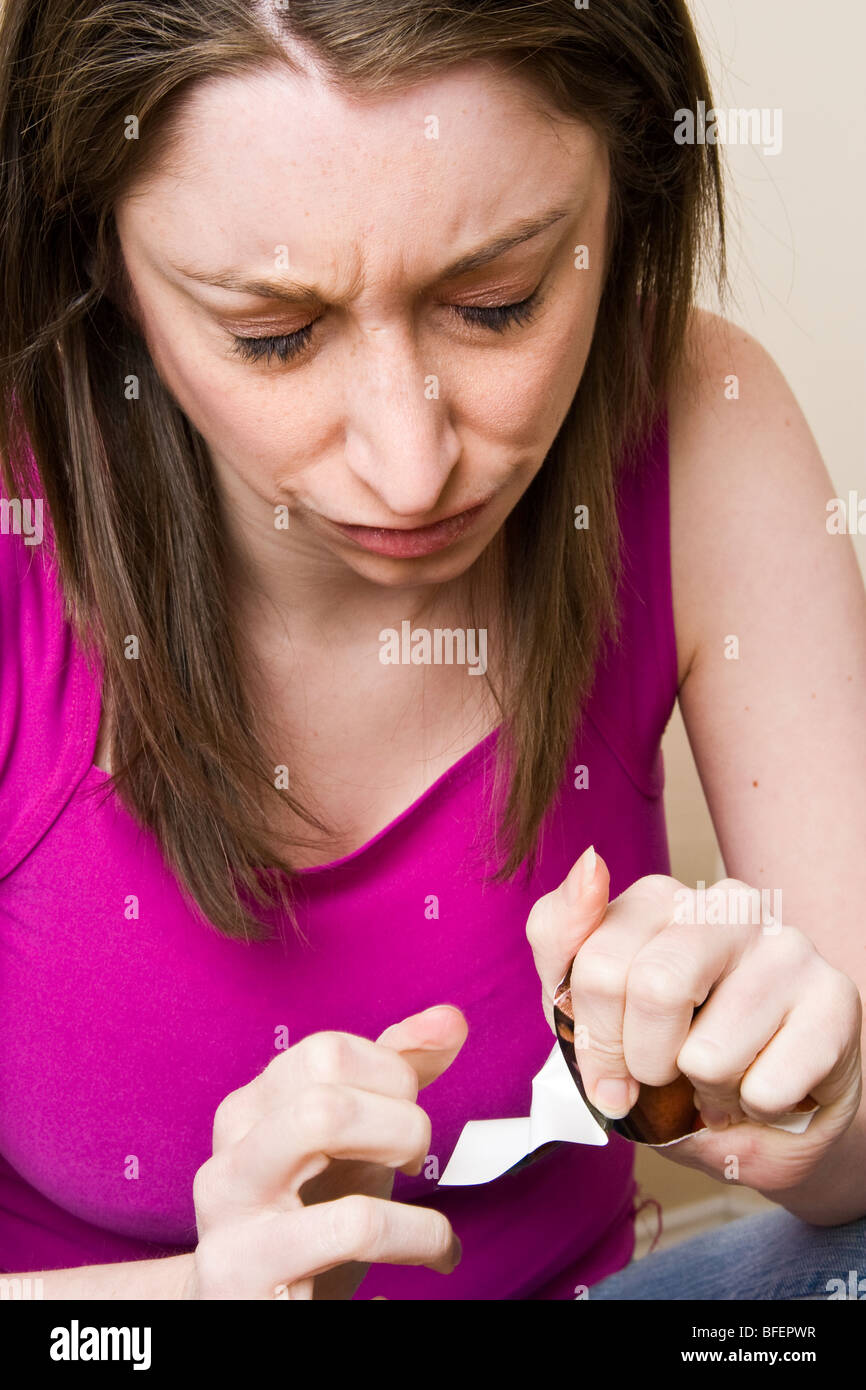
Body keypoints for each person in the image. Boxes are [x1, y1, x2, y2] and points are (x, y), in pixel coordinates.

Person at [0, 0, 863, 1301]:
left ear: (626, 190)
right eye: (271, 335)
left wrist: (806, 1098)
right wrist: (185, 1303)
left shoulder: (699, 420)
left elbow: (851, 1165)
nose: (411, 472)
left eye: (497, 303)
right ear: (100, 257)